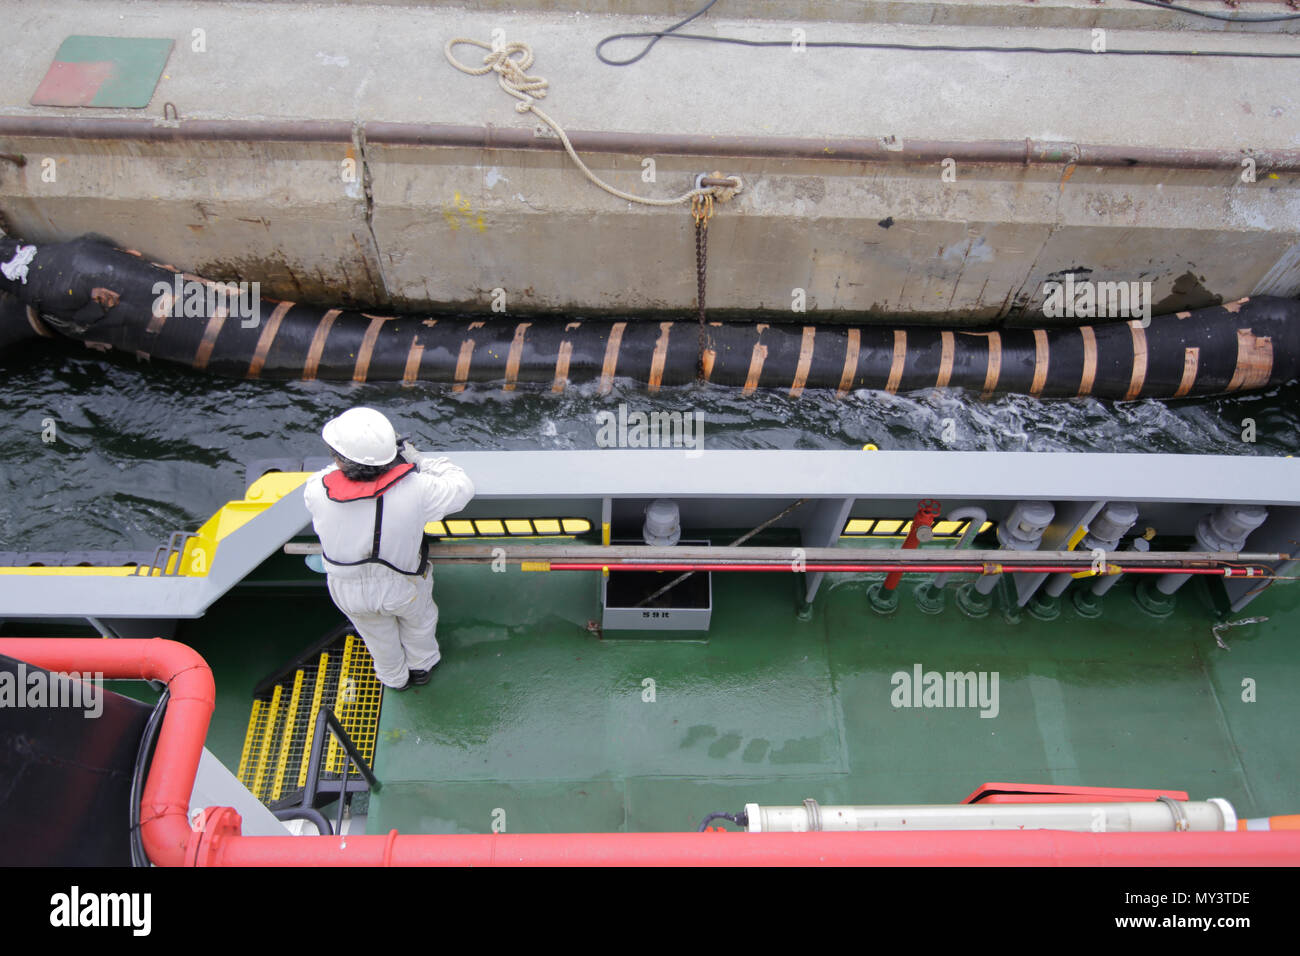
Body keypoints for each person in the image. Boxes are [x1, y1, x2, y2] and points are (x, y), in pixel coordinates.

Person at [303, 407, 474, 691]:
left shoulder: (315, 489)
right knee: (420, 624)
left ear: (338, 457)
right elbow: (461, 487)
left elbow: (335, 476)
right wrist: (417, 459)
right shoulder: (417, 489)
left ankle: (395, 680)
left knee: (377, 638)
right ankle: (422, 667)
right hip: (401, 584)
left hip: (346, 589)